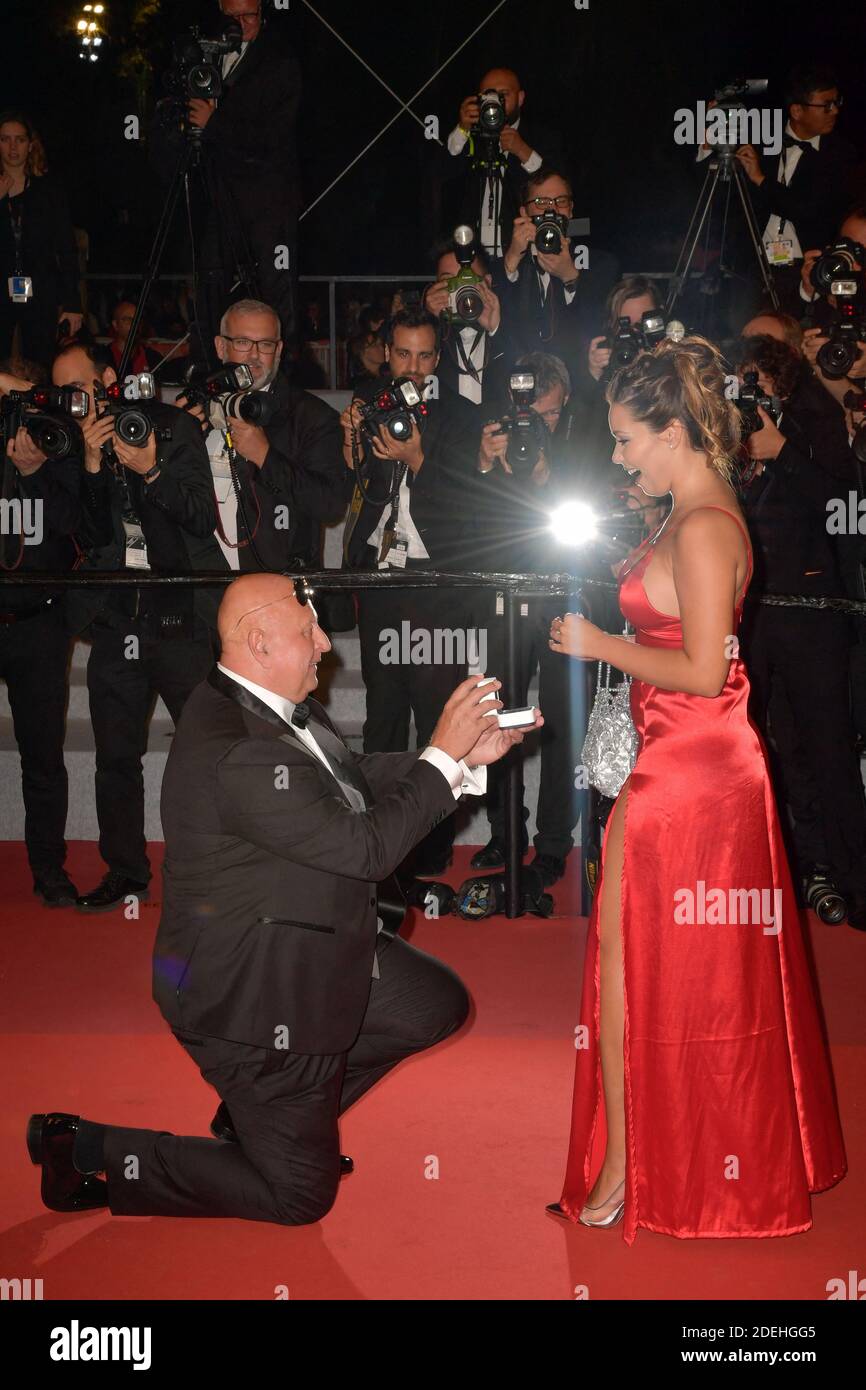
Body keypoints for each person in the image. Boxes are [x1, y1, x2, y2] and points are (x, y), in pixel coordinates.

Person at [26, 573, 542, 1221]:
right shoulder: (241, 748)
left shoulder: (264, 701)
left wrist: (463, 759)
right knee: (300, 1196)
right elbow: (366, 850)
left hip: (304, 945)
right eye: (309, 631)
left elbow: (348, 779)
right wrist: (439, 754)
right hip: (250, 998)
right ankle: (86, 1147)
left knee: (431, 1005)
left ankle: (260, 1122)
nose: (327, 643)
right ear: (259, 642)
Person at [546, 335, 846, 1238]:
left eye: (628, 439)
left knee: (638, 971)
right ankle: (664, 1161)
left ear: (675, 432)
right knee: (664, 970)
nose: (617, 455)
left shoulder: (709, 524)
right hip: (677, 761)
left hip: (698, 771)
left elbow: (708, 671)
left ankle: (635, 1172)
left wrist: (601, 645)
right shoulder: (687, 513)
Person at [51, 343, 226, 913]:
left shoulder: (173, 426)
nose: (74, 405)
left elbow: (202, 516)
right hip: (118, 612)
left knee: (203, 753)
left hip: (179, 607)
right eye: (65, 397)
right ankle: (125, 872)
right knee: (114, 756)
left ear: (107, 379)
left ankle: (211, 873)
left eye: (79, 390)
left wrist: (149, 466)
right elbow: (82, 533)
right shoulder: (73, 443)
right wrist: (95, 467)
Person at [340, 307, 481, 876]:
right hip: (381, 578)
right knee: (382, 717)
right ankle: (377, 844)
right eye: (403, 354)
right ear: (386, 353)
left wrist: (417, 458)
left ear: (439, 358)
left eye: (425, 356)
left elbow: (468, 509)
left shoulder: (460, 415)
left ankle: (431, 853)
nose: (413, 367)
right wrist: (352, 438)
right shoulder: (370, 404)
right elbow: (351, 486)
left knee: (436, 720)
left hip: (436, 584)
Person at [734, 333, 866, 929]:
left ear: (783, 384)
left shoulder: (819, 428)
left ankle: (857, 881)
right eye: (740, 381)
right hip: (751, 616)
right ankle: (802, 870)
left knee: (830, 751)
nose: (748, 392)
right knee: (768, 751)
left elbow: (846, 512)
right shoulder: (727, 437)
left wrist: (783, 449)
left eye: (758, 381)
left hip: (815, 614)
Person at [468, 352, 587, 885]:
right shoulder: (496, 435)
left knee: (560, 722)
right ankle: (503, 831)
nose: (538, 430)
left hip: (563, 591)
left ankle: (555, 842)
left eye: (550, 418)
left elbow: (586, 511)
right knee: (500, 712)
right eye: (530, 419)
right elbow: (467, 515)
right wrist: (488, 463)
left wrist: (546, 468)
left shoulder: (581, 439)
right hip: (504, 591)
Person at [0, 367, 111, 906]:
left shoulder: (57, 436)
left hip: (39, 624)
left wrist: (38, 468)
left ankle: (49, 871)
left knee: (42, 757)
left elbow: (77, 524)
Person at [159, 1, 301, 359]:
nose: (240, 25)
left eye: (248, 16)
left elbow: (276, 137)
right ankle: (209, 368)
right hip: (213, 195)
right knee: (208, 288)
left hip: (266, 201)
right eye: (232, 17)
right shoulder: (204, 55)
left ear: (262, 14)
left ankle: (276, 379)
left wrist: (215, 123)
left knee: (272, 291)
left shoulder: (280, 62)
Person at [177, 298, 350, 573]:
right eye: (243, 342)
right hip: (201, 581)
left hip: (274, 589)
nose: (254, 355)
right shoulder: (195, 406)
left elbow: (331, 506)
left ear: (278, 349)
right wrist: (176, 442)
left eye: (266, 345)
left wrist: (265, 457)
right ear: (221, 346)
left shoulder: (312, 417)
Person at [733, 65, 857, 317]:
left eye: (837, 102)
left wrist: (761, 179)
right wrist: (708, 140)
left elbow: (807, 209)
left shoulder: (840, 155)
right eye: (826, 104)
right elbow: (724, 196)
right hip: (755, 268)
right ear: (797, 110)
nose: (834, 111)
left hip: (809, 270)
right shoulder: (762, 142)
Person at [438, 68, 565, 261]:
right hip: (472, 255)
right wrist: (462, 129)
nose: (495, 103)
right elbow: (442, 173)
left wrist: (523, 152)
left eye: (503, 95)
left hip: (523, 255)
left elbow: (558, 190)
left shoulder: (541, 136)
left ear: (520, 98)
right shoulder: (469, 135)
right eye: (488, 96)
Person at [0, 112, 82, 372]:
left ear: (30, 144)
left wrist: (72, 303)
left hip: (40, 293)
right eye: (5, 139)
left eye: (20, 140)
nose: (13, 148)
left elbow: (67, 249)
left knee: (40, 367)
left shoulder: (48, 191)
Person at [422, 234, 512, 406]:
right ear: (435, 286)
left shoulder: (510, 332)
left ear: (487, 282)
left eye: (467, 281)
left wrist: (496, 329)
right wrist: (431, 322)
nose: (459, 291)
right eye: (449, 282)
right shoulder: (432, 337)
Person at [106, 300, 161, 377]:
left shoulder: (153, 358)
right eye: (128, 320)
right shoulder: (103, 357)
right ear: (115, 325)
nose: (135, 324)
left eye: (138, 319)